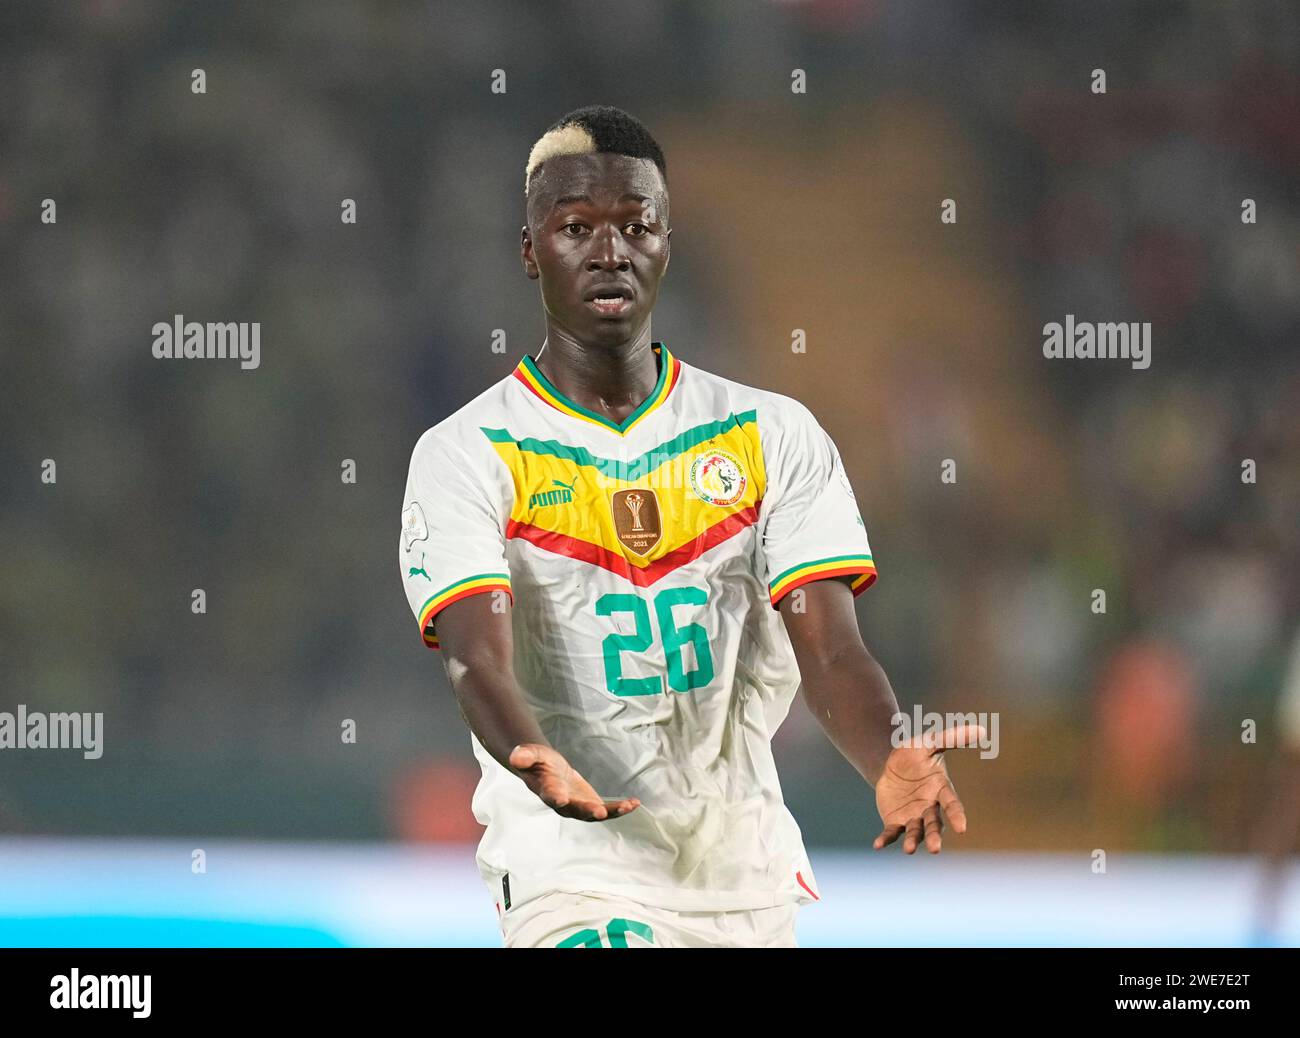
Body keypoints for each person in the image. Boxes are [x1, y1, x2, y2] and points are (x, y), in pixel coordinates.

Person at [399, 105, 981, 948]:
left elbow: (832, 650)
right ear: (531, 251)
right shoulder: (468, 452)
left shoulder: (771, 435)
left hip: (742, 884)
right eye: (575, 227)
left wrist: (886, 751)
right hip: (574, 874)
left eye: (636, 225)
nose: (610, 250)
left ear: (667, 243)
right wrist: (530, 753)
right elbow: (473, 653)